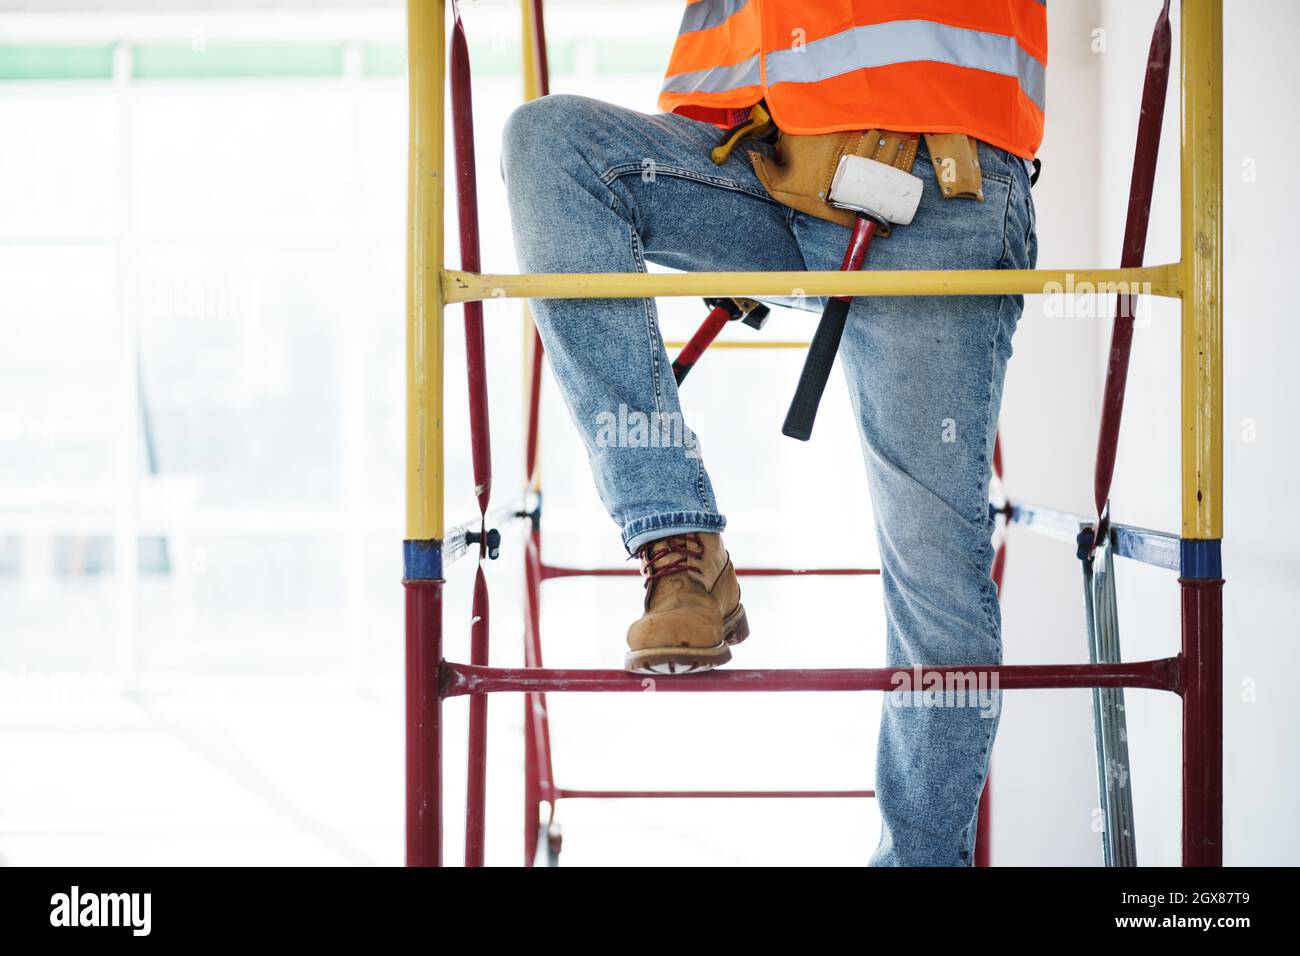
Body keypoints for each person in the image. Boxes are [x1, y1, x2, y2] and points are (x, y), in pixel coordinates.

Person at [502, 1, 1044, 866]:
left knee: (936, 589)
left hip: (942, 187)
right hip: (770, 165)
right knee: (553, 143)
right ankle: (679, 545)